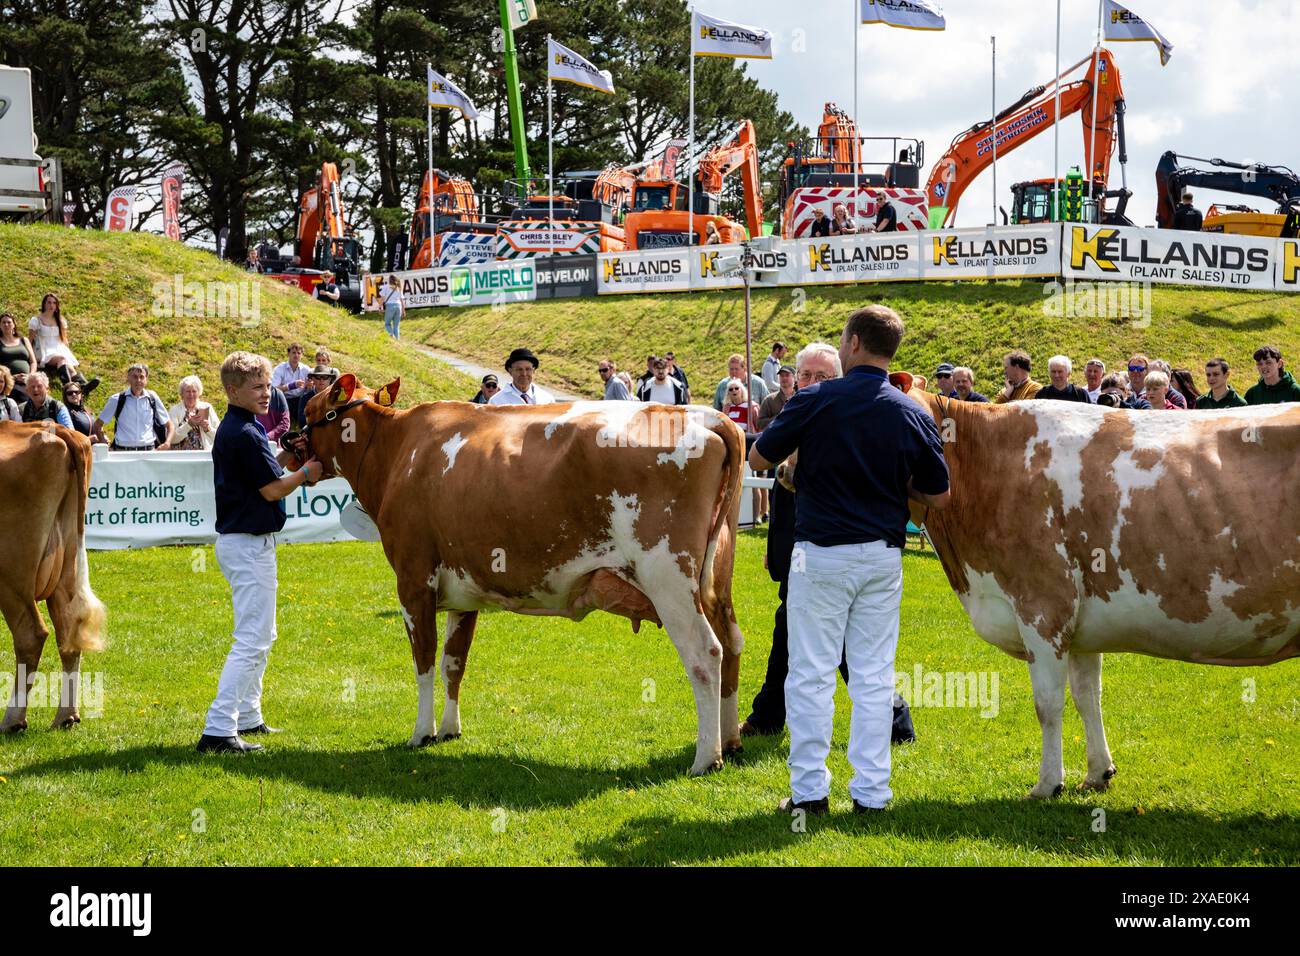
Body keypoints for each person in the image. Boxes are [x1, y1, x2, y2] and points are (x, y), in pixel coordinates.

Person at [750, 305, 950, 815]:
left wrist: (807, 462)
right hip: (881, 556)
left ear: (855, 343)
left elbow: (759, 458)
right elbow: (939, 494)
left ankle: (810, 794)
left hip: (820, 553)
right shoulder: (910, 411)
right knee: (873, 677)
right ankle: (871, 794)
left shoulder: (817, 398)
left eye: (842, 339)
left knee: (811, 674)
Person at [196, 351, 324, 754]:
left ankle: (248, 716)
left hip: (247, 543)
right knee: (251, 639)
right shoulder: (246, 433)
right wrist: (306, 473)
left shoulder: (244, 428)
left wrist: (291, 456)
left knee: (261, 634)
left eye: (268, 385)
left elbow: (267, 473)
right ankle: (218, 729)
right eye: (257, 387)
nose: (267, 393)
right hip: (248, 543)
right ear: (232, 391)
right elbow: (271, 489)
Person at [28, 293, 97, 395]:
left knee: (70, 366)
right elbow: (30, 340)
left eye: (54, 303)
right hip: (44, 350)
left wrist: (67, 352)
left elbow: (64, 339)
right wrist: (30, 357)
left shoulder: (60, 320)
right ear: (44, 304)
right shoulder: (36, 320)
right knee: (61, 359)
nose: (51, 305)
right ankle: (68, 387)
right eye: (49, 302)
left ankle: (83, 386)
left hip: (58, 348)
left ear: (57, 305)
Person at [93, 363, 172, 450]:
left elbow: (169, 425)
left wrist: (167, 443)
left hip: (148, 452)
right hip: (123, 452)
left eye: (142, 377)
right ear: (128, 378)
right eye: (135, 376)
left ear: (146, 379)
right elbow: (97, 425)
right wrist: (105, 445)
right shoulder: (117, 399)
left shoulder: (153, 398)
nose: (138, 380)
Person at [167, 375, 221, 450]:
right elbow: (171, 439)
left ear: (199, 393)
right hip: (180, 457)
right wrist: (188, 425)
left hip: (204, 456)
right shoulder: (174, 410)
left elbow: (220, 437)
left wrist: (208, 429)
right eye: (188, 391)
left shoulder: (206, 407)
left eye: (194, 391)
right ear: (182, 394)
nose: (191, 395)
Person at [489, 348, 555, 405]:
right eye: (519, 369)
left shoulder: (547, 400)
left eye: (528, 369)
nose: (524, 373)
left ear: (533, 370)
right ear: (510, 371)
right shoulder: (496, 402)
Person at [0, 311, 37, 404]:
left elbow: (33, 362)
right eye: (3, 322)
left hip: (27, 380)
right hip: (9, 381)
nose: (6, 324)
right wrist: (12, 377)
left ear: (14, 325)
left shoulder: (24, 340)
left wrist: (30, 376)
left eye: (9, 322)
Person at [757, 364, 796, 430]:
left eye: (787, 375)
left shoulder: (800, 398)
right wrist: (778, 417)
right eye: (781, 376)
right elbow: (760, 424)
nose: (784, 378)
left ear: (794, 378)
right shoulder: (769, 400)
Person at [381, 274, 405, 339]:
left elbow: (382, 298)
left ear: (389, 280)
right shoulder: (398, 288)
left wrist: (381, 306)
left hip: (390, 306)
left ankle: (391, 334)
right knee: (396, 326)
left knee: (387, 324)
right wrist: (403, 310)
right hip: (398, 306)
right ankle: (397, 341)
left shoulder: (386, 287)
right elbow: (402, 300)